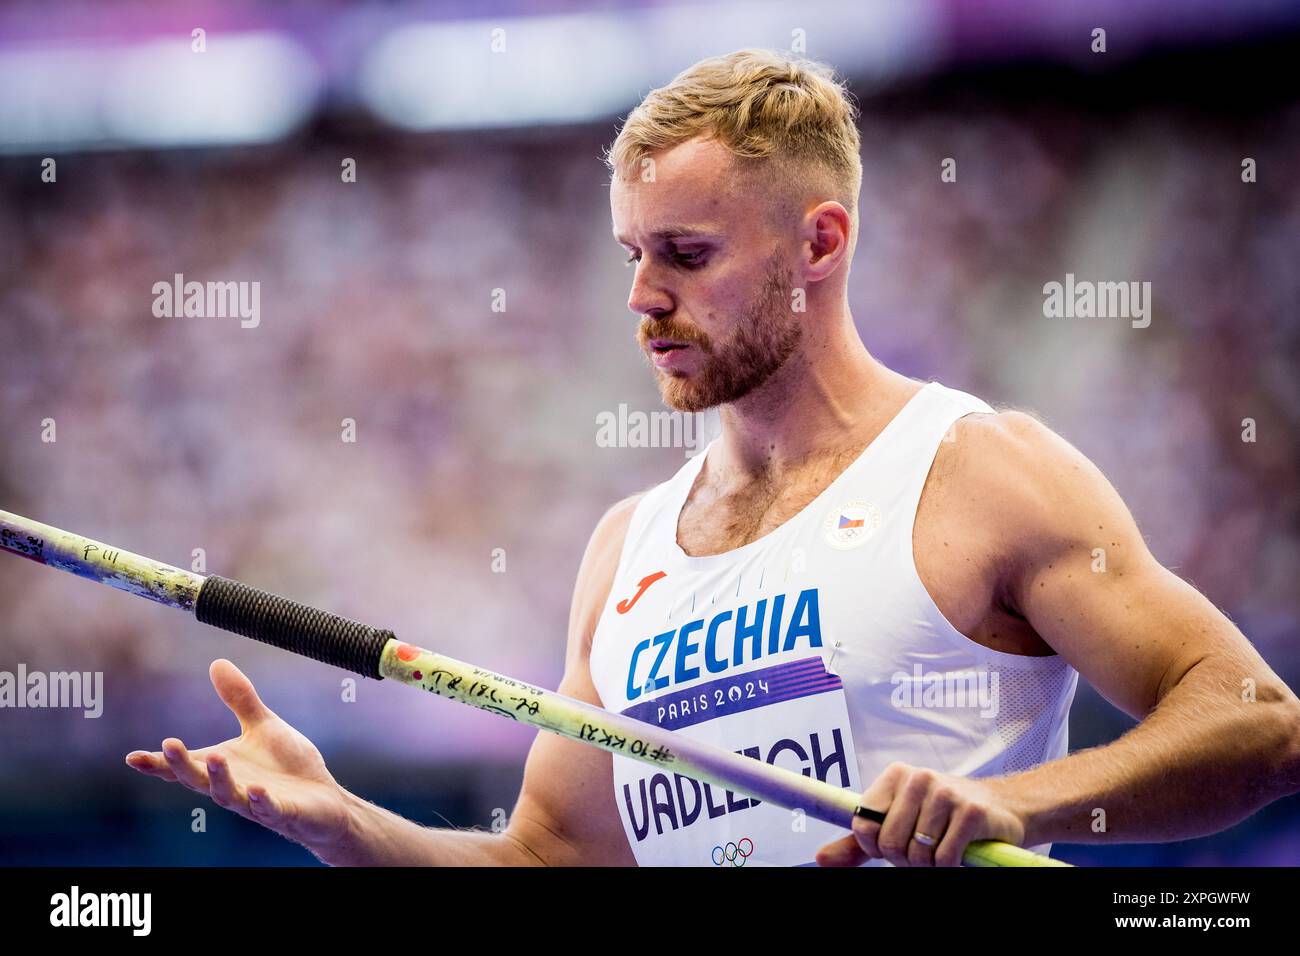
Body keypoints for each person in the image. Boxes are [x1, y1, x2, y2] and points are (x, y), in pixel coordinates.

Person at [126, 48, 1300, 867]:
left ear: (819, 243)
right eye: (631, 253)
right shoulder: (623, 549)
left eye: (685, 252)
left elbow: (1258, 724)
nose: (641, 297)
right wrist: (345, 826)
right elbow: (550, 857)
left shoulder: (976, 469)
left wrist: (1015, 802)